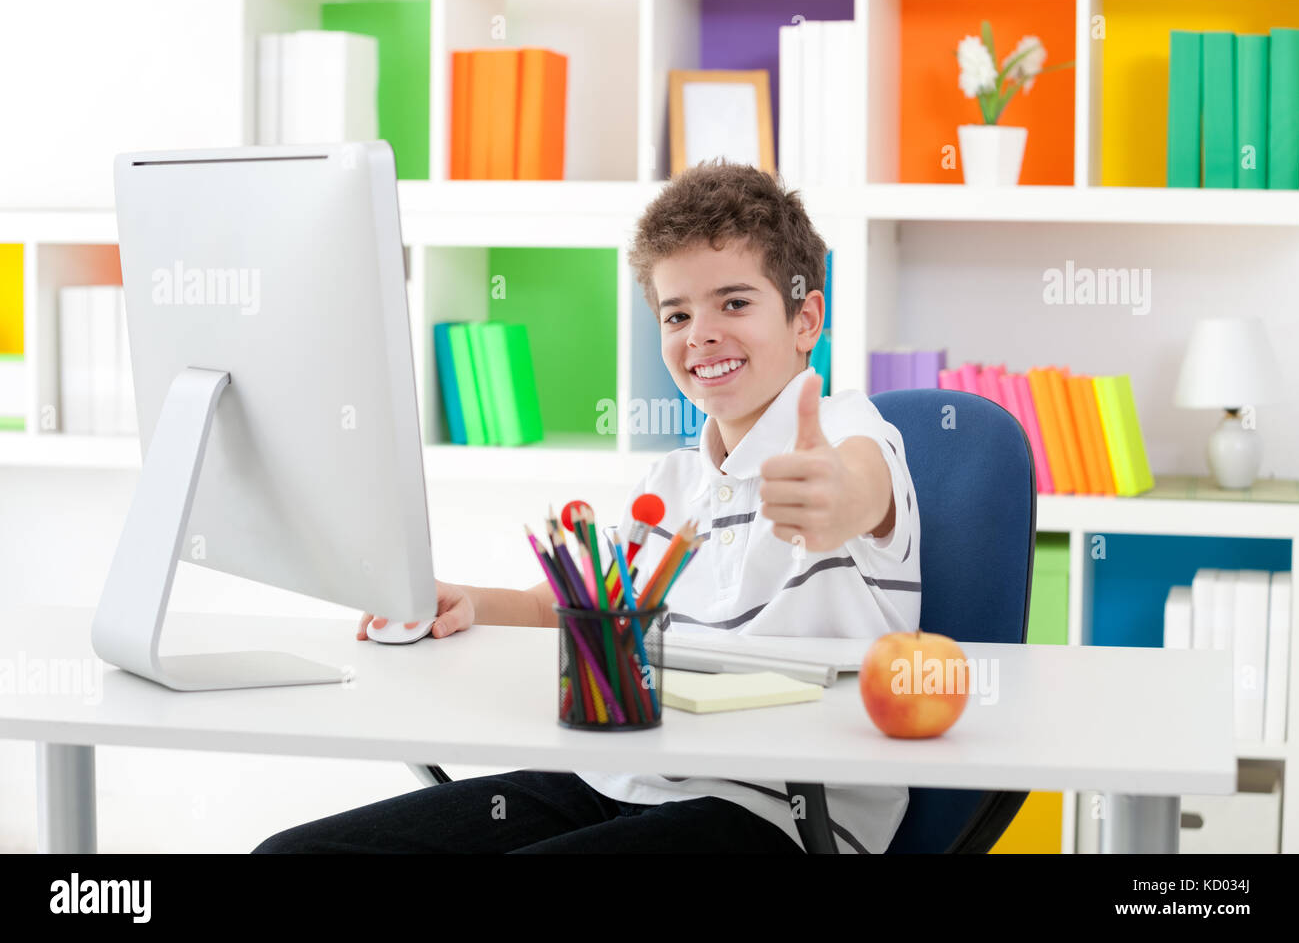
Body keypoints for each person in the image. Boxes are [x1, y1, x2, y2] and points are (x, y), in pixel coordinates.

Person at [253, 159, 921, 854]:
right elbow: (570, 607)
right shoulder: (672, 480)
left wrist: (834, 499)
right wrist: (468, 603)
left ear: (805, 317)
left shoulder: (851, 431)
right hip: (617, 776)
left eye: (734, 302)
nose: (701, 334)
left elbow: (860, 489)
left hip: (773, 812)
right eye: (677, 313)